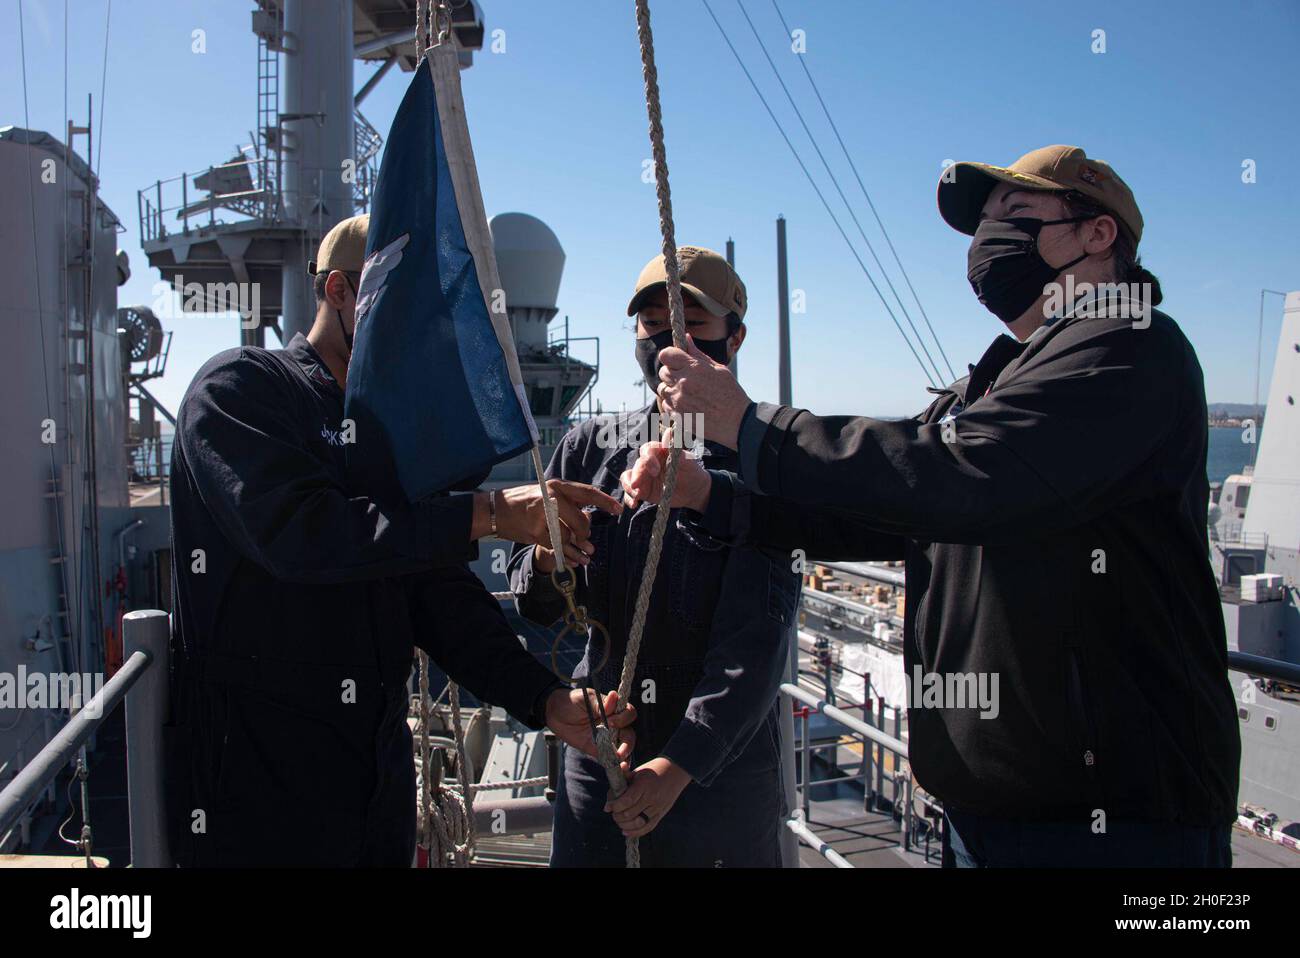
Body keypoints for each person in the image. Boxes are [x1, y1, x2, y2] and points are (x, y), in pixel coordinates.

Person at [624, 146, 1242, 867]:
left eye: (1012, 215)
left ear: (1096, 234)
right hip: (991, 811)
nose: (987, 241)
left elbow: (964, 472)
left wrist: (752, 427)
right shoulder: (998, 378)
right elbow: (886, 504)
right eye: (984, 224)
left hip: (1115, 825)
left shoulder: (1130, 348)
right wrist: (714, 495)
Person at [165, 215, 631, 867]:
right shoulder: (239, 392)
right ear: (338, 292)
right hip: (257, 800)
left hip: (370, 793)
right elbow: (307, 536)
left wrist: (545, 699)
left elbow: (435, 593)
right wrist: (491, 511)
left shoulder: (379, 437)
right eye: (401, 305)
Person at [507, 246, 800, 867]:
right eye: (651, 325)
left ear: (735, 336)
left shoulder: (771, 456)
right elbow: (532, 600)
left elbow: (759, 638)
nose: (668, 339)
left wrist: (680, 765)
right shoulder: (590, 447)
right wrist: (545, 559)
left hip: (719, 776)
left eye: (692, 324)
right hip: (604, 750)